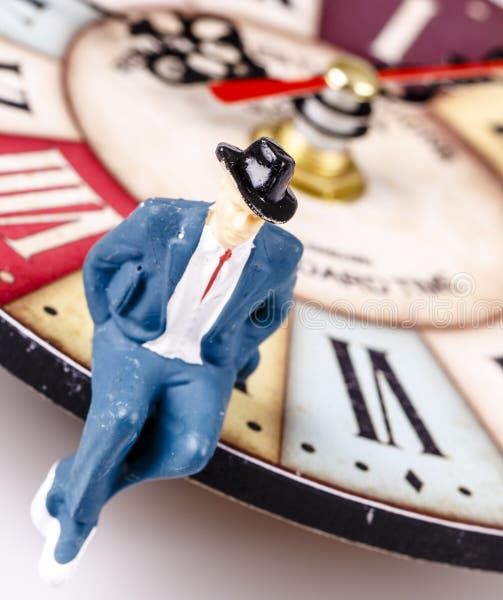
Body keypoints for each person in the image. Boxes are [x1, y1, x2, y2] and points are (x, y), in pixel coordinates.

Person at [30, 137, 303, 585]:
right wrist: (108, 322)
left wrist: (234, 353)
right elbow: (101, 262)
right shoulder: (161, 217)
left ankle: (76, 480)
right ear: (224, 186)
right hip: (134, 341)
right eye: (238, 207)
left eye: (255, 217)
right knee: (119, 420)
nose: (241, 224)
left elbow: (272, 313)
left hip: (203, 362)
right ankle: (76, 521)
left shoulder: (282, 255)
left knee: (190, 452)